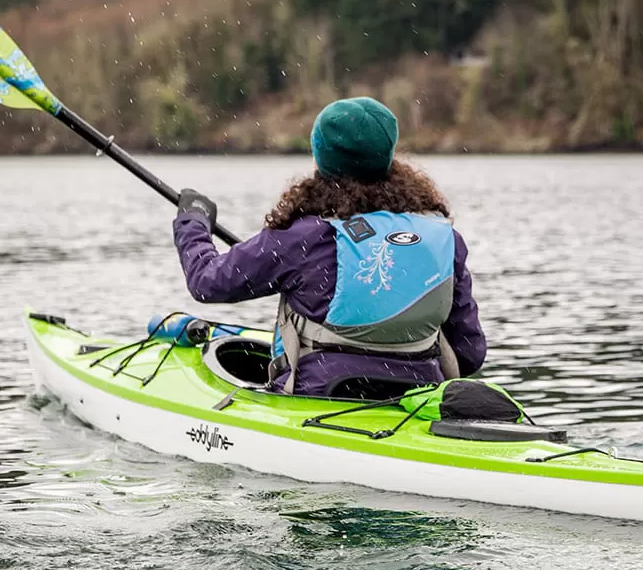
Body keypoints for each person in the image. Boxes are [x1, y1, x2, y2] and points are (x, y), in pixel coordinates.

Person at [172, 96, 486, 398]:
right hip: (417, 399)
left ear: (321, 159)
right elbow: (469, 354)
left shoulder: (302, 239)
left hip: (322, 398)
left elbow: (206, 281)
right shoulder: (444, 240)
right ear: (388, 156)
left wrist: (193, 221)